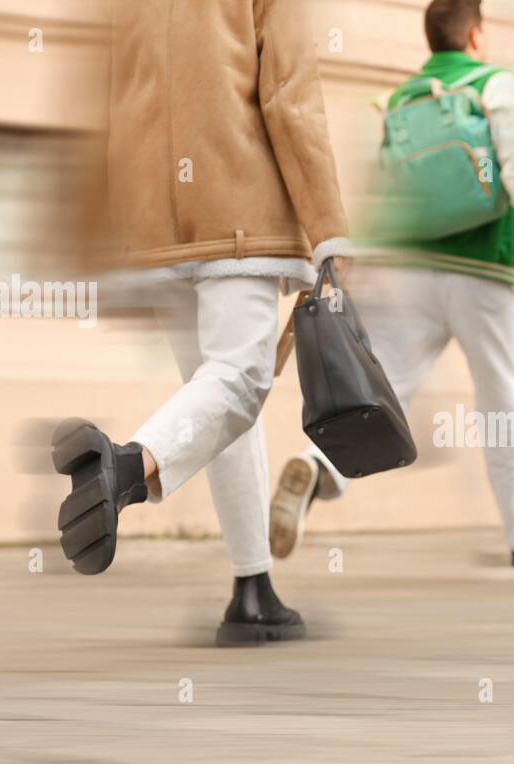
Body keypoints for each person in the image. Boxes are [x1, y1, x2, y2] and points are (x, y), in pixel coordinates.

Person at [53, 0, 351, 645]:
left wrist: (93, 244)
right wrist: (330, 232)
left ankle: (253, 591)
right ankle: (125, 466)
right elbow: (290, 95)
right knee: (239, 382)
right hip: (237, 213)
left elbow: (99, 100)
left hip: (153, 228)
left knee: (213, 403)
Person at [269, 0, 514, 582]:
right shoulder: (493, 83)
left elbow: (385, 188)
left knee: (383, 391)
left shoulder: (402, 98)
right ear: (476, 35)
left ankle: (318, 468)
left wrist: (363, 258)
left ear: (431, 38)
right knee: (502, 404)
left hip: (411, 270)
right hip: (482, 269)